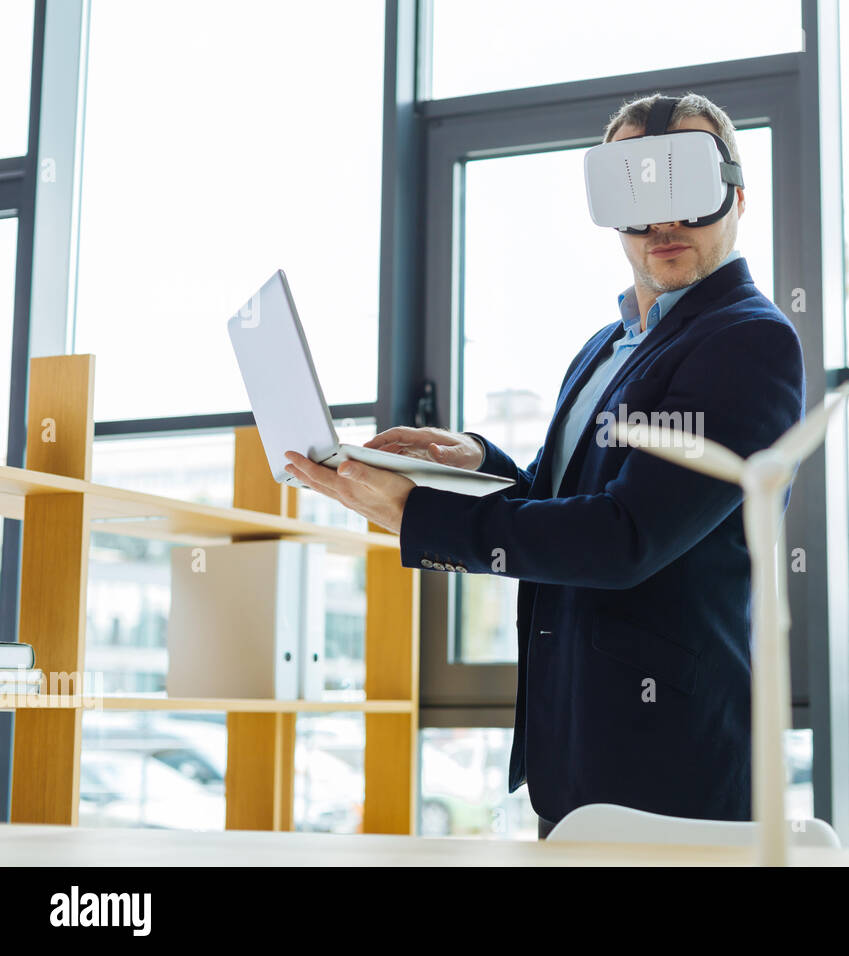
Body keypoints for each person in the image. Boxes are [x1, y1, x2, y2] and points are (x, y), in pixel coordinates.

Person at [284, 92, 807, 841]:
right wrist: (477, 464)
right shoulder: (607, 345)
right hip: (574, 754)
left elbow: (626, 537)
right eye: (636, 195)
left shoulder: (749, 342)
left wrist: (415, 514)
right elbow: (570, 499)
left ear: (737, 195)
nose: (664, 224)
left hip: (671, 768)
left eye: (688, 196)